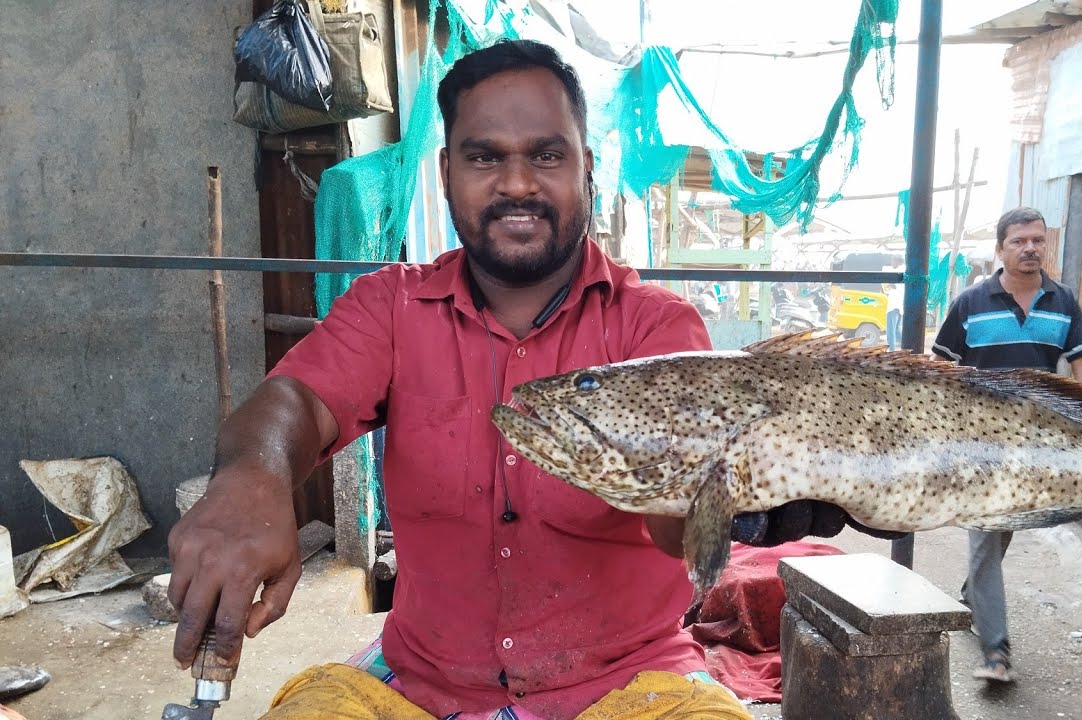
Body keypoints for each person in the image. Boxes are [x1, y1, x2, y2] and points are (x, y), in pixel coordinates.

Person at [167, 39, 864, 720]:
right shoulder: (390, 306)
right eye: (484, 158)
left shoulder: (656, 329)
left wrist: (734, 506)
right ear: (445, 173)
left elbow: (669, 520)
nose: (519, 184)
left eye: (547, 155)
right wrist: (250, 481)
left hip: (632, 689)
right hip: (418, 686)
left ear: (586, 168)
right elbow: (295, 399)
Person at [931, 206, 1082, 684]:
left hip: (1035, 444)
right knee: (987, 532)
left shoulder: (1063, 301)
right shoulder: (970, 303)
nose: (1030, 248)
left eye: (1037, 240)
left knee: (1003, 527)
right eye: (1019, 241)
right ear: (1000, 249)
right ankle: (996, 651)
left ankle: (972, 593)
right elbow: (940, 369)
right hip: (980, 445)